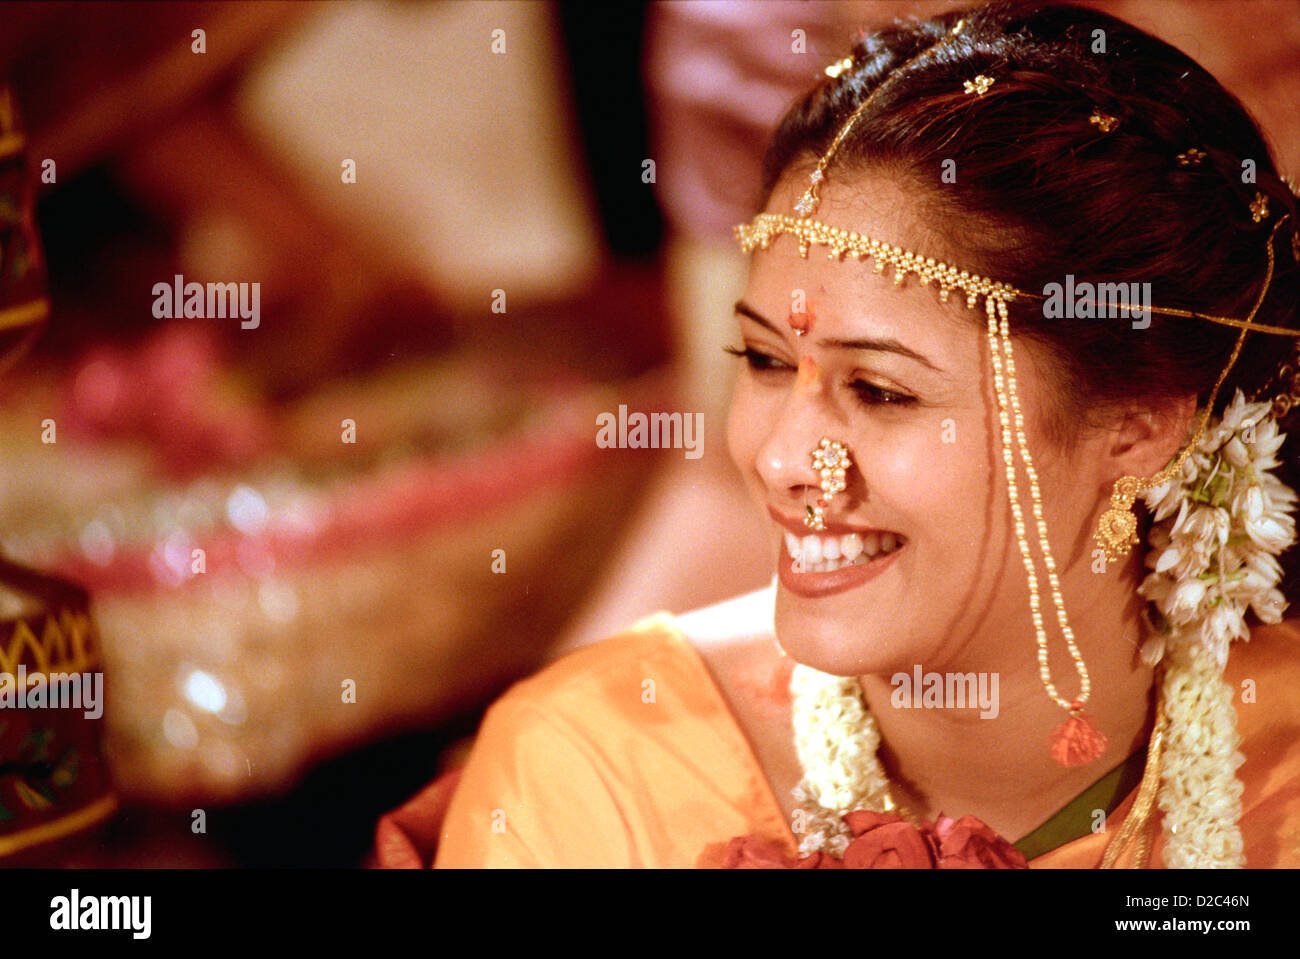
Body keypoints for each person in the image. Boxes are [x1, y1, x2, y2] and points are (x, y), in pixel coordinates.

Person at [375, 1, 1300, 868]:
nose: (778, 460)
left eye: (882, 391)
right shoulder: (605, 777)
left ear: (1135, 428)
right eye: (765, 360)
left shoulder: (1280, 777)